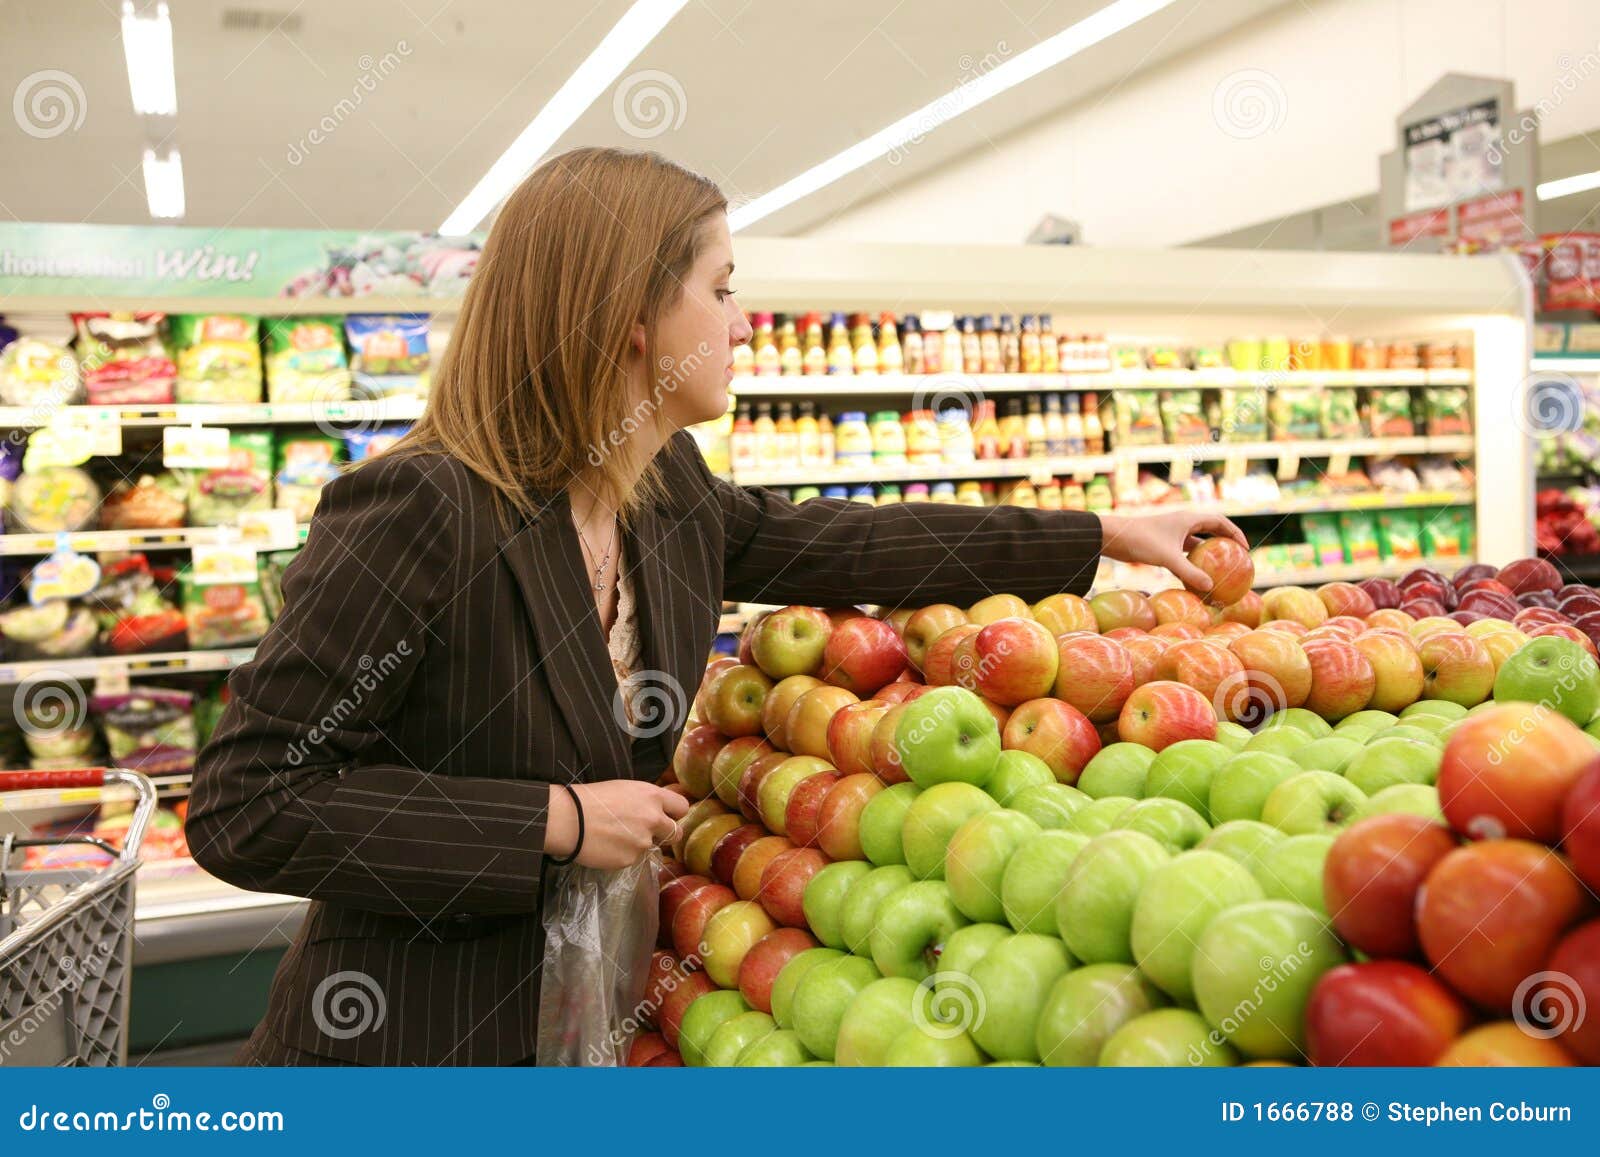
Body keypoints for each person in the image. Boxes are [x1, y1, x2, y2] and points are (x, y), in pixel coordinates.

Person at [185, 147, 1245, 1066]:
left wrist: (1099, 534)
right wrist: (552, 820)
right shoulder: (425, 504)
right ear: (632, 316)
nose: (745, 320)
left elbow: (847, 540)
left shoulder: (665, 487)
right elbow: (246, 801)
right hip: (408, 1043)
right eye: (723, 288)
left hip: (587, 1017)